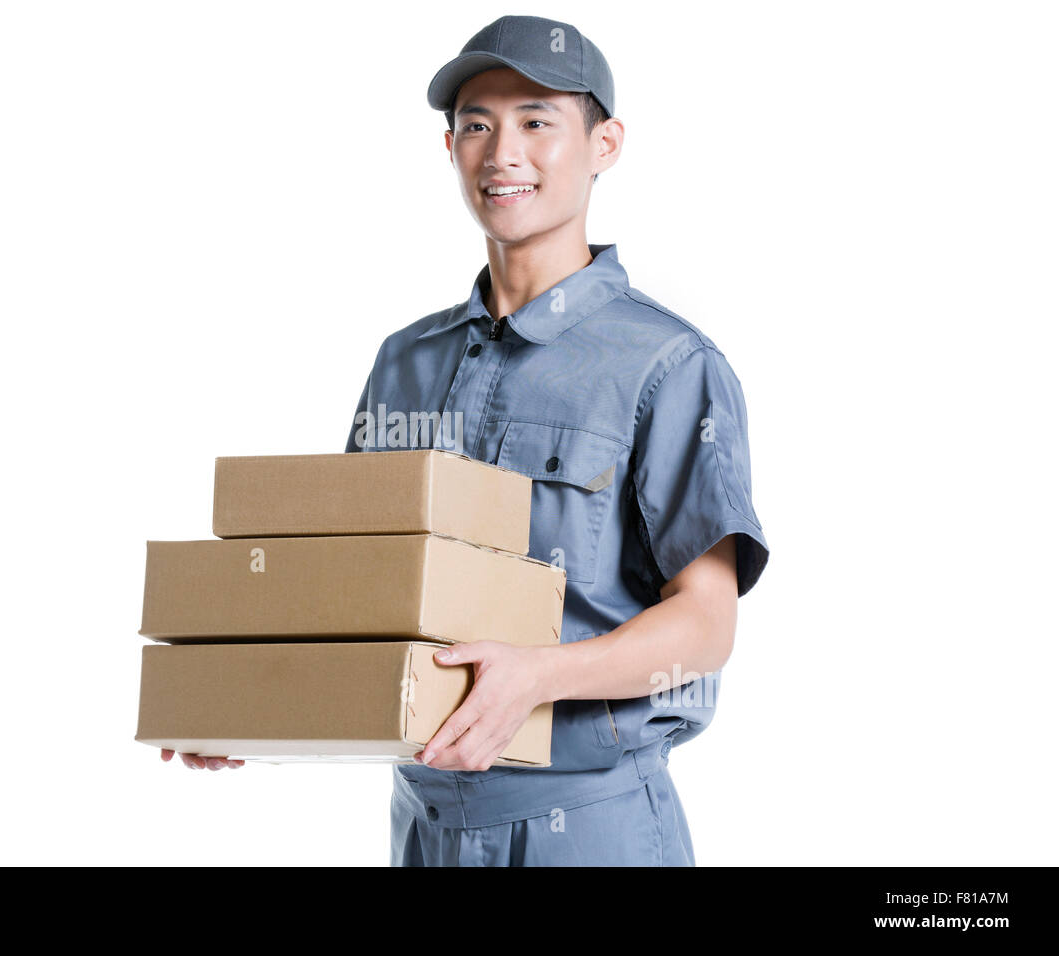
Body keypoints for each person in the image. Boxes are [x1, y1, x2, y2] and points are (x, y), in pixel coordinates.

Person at [165, 14, 770, 868]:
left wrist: (541, 675)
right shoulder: (404, 362)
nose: (502, 152)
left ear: (605, 143)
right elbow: (352, 590)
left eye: (536, 120)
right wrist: (247, 704)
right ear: (448, 147)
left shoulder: (669, 365)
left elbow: (707, 625)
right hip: (423, 826)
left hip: (593, 827)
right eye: (477, 124)